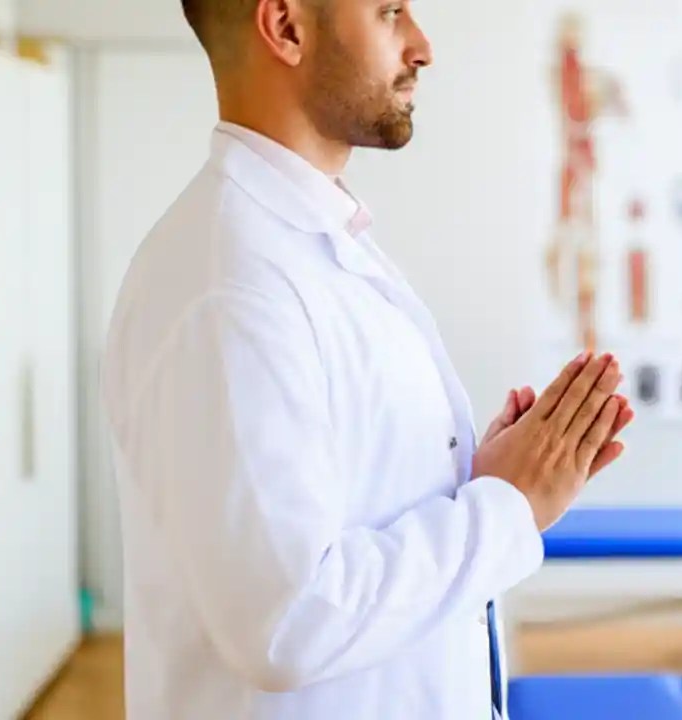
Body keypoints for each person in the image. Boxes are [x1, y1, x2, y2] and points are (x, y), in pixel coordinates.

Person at [99, 1, 634, 719]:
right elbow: (285, 622)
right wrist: (508, 508)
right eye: (389, 13)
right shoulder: (233, 283)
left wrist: (470, 478)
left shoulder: (306, 245)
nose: (422, 46)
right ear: (286, 27)